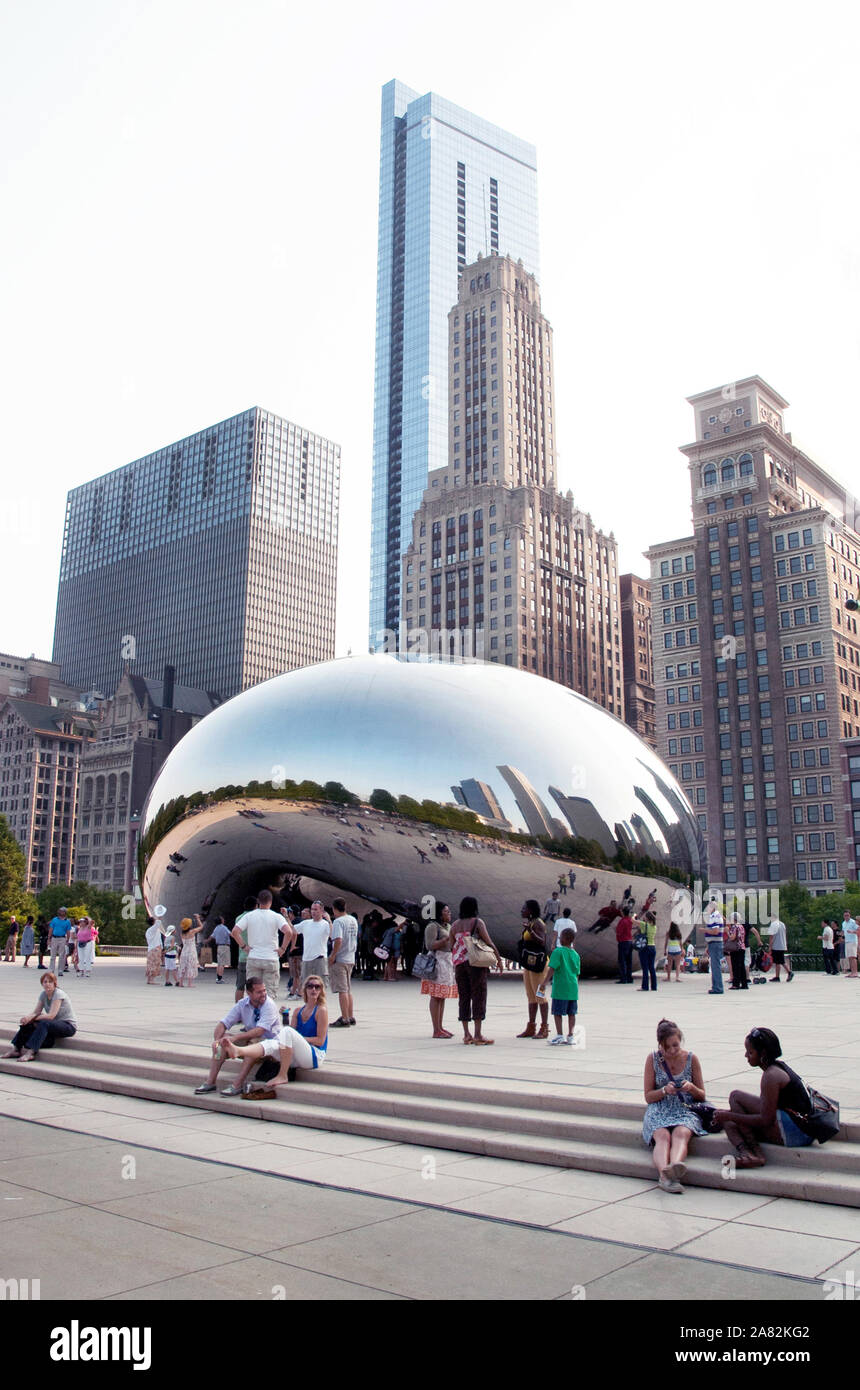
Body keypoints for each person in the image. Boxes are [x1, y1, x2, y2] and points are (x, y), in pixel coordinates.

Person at [715, 1027, 818, 1168]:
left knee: (734, 1101)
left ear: (762, 1053)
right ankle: (749, 1154)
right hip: (797, 1127)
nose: (746, 1055)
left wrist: (730, 1116)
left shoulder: (771, 1076)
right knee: (730, 1119)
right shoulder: (777, 1067)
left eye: (750, 1052)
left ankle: (756, 1154)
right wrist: (729, 1116)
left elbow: (765, 1120)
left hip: (797, 1132)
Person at [224, 975, 329, 1093]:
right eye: (310, 986)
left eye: (317, 987)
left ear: (321, 990)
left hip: (314, 1055)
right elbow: (290, 1034)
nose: (314, 989)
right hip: (297, 1054)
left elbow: (320, 1040)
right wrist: (285, 1017)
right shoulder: (298, 1011)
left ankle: (283, 1075)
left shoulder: (321, 1011)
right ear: (305, 990)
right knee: (272, 1043)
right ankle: (239, 1051)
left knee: (286, 1032)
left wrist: (298, 1039)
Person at [642, 1019, 708, 1193]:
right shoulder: (653, 1059)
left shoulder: (691, 1058)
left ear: (681, 1041)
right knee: (662, 1136)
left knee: (681, 1133)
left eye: (675, 1046)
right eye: (666, 1047)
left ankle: (674, 1166)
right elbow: (648, 1096)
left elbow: (702, 1095)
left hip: (684, 1107)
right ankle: (665, 1176)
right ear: (659, 1045)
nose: (671, 1051)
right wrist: (664, 1090)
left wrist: (691, 1087)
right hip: (660, 1107)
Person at [193, 977, 281, 1095]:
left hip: (271, 1046)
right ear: (249, 993)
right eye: (259, 992)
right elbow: (223, 1023)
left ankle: (237, 1084)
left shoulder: (269, 1005)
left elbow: (259, 1031)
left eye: (264, 990)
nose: (263, 994)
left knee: (253, 1044)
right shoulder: (242, 1004)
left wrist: (235, 1038)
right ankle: (210, 1082)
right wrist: (218, 1042)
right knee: (223, 1041)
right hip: (252, 1040)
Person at [451, 896, 503, 1045]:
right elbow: (488, 941)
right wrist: (498, 959)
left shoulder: (455, 925)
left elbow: (451, 944)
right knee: (478, 995)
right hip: (475, 964)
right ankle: (478, 1034)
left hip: (459, 965)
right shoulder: (477, 922)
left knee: (464, 997)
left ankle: (466, 1034)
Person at [4, 972, 77, 1061]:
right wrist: (27, 1018)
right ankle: (16, 1049)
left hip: (67, 1026)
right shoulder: (43, 994)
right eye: (45, 982)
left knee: (44, 1023)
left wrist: (33, 1018)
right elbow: (36, 1012)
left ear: (55, 983)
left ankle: (31, 1052)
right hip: (53, 1025)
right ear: (42, 984)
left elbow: (51, 1016)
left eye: (50, 982)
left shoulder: (58, 994)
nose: (47, 984)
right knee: (28, 1023)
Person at [244, 890, 292, 997]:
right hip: (271, 958)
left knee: (252, 992)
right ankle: (266, 1012)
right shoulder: (276, 916)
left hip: (254, 957)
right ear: (270, 901)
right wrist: (282, 949)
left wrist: (244, 946)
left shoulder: (250, 916)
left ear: (258, 901)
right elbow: (289, 932)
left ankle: (253, 1013)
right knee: (269, 994)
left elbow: (235, 932)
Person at [421, 903, 457, 1039]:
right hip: (437, 962)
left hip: (447, 961)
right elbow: (429, 945)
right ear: (439, 913)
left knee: (442, 996)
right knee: (436, 996)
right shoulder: (432, 926)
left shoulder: (448, 926)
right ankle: (436, 1029)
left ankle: (440, 1027)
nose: (449, 914)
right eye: (446, 911)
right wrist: (445, 940)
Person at [516, 900, 550, 1039]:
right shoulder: (531, 922)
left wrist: (530, 931)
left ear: (531, 910)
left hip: (539, 966)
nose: (521, 910)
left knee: (540, 995)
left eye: (524, 908)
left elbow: (542, 941)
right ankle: (531, 1026)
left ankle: (544, 1027)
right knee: (531, 995)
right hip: (530, 964)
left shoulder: (538, 923)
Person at [543, 925, 581, 1046]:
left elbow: (552, 968)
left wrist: (544, 982)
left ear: (563, 939)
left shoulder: (557, 952)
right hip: (573, 988)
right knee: (572, 1013)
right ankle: (570, 1036)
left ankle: (559, 1035)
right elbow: (577, 973)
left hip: (560, 987)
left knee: (558, 1012)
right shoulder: (576, 955)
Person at [329, 897, 359, 1027]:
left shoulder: (338, 922)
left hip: (340, 958)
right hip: (350, 957)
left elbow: (338, 940)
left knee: (342, 990)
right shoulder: (353, 920)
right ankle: (350, 1015)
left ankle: (345, 1018)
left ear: (334, 909)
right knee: (347, 989)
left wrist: (333, 955)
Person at [750, 916, 794, 983]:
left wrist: (770, 947)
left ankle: (789, 972)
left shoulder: (773, 925)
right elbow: (784, 934)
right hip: (782, 945)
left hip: (776, 946)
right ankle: (777, 977)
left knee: (780, 961)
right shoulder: (782, 924)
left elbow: (771, 936)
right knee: (777, 961)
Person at [230, 897, 257, 1001]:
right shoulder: (256, 917)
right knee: (256, 986)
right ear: (256, 906)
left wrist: (243, 946)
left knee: (240, 986)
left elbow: (235, 933)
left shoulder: (239, 918)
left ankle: (238, 1011)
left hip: (243, 956)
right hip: (256, 956)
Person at [301, 900, 331, 987]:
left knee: (321, 986)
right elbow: (292, 930)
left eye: (315, 909)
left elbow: (332, 935)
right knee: (306, 986)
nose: (313, 912)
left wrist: (329, 920)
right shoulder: (306, 923)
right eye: (312, 909)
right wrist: (286, 917)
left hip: (320, 959)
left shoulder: (325, 924)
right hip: (307, 959)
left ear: (321, 911)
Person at [703, 900, 725, 995]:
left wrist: (704, 930)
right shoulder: (715, 916)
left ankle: (718, 987)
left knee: (715, 966)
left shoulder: (715, 916)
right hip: (714, 943)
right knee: (715, 965)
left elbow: (715, 931)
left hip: (715, 943)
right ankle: (716, 986)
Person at [176, 916, 205, 987]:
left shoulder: (182, 933)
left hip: (184, 951)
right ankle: (190, 983)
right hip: (191, 951)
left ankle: (181, 982)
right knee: (191, 966)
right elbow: (201, 927)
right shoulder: (192, 932)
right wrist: (198, 918)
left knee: (183, 966)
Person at [725, 912, 748, 990]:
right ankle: (744, 983)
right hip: (742, 947)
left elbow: (732, 937)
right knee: (741, 966)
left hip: (736, 949)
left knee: (735, 966)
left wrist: (727, 932)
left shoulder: (734, 926)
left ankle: (736, 984)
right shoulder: (741, 926)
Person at [636, 911, 657, 992]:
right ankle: (654, 986)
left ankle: (645, 986)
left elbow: (632, 920)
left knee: (645, 968)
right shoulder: (655, 927)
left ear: (647, 918)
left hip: (645, 948)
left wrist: (634, 915)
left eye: (645, 917)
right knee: (651, 968)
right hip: (652, 947)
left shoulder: (644, 925)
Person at [48, 908, 72, 976]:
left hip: (62, 938)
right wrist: (49, 938)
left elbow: (68, 931)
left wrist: (68, 939)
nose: (61, 912)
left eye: (63, 911)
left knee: (62, 955)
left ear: (65, 912)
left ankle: (60, 970)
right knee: (53, 955)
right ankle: (51, 969)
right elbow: (51, 929)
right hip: (54, 937)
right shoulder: (54, 920)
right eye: (60, 911)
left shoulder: (67, 921)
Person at [209, 915, 233, 984]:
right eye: (222, 919)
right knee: (222, 963)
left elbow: (212, 936)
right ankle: (220, 978)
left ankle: (218, 977)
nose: (223, 919)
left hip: (219, 947)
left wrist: (207, 940)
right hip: (225, 947)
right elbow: (231, 934)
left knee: (219, 963)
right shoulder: (224, 928)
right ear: (221, 921)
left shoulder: (216, 928)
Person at [615, 906, 634, 984]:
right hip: (630, 941)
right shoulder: (630, 920)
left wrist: (615, 930)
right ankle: (629, 977)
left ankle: (623, 978)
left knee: (622, 960)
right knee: (629, 960)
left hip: (623, 941)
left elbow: (619, 932)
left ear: (623, 912)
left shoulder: (622, 921)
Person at [144, 916, 164, 984]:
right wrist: (159, 918)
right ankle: (152, 979)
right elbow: (158, 924)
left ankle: (149, 979)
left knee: (151, 964)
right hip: (155, 949)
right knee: (154, 964)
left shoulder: (150, 930)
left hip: (152, 948)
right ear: (153, 922)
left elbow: (159, 939)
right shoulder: (152, 929)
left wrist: (161, 947)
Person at [839, 911, 858, 979]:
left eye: (847, 915)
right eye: (845, 915)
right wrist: (841, 934)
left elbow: (858, 930)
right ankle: (852, 972)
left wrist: (852, 932)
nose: (846, 917)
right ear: (843, 916)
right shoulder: (843, 923)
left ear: (850, 915)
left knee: (853, 957)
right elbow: (843, 931)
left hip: (853, 941)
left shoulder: (853, 922)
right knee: (849, 957)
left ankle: (855, 972)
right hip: (847, 941)